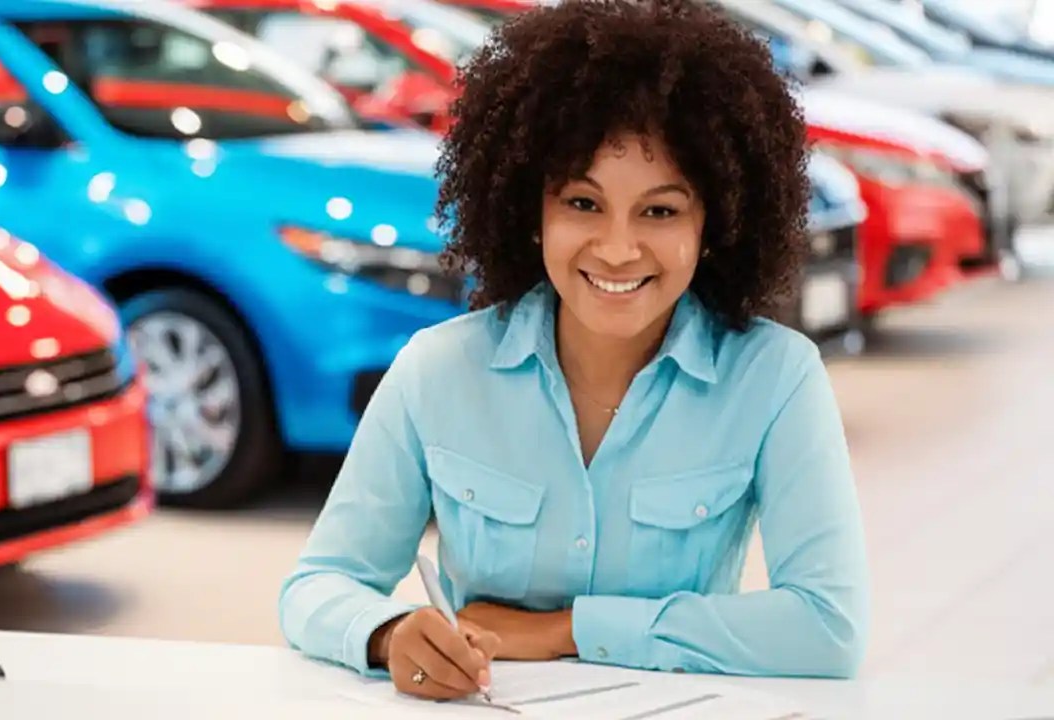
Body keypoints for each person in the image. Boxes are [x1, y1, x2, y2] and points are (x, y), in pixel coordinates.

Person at [278, 0, 869, 700]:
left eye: (660, 210)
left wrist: (567, 630)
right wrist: (388, 632)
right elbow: (318, 585)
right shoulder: (438, 370)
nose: (617, 249)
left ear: (713, 226)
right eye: (583, 204)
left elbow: (828, 627)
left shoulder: (775, 378)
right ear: (531, 211)